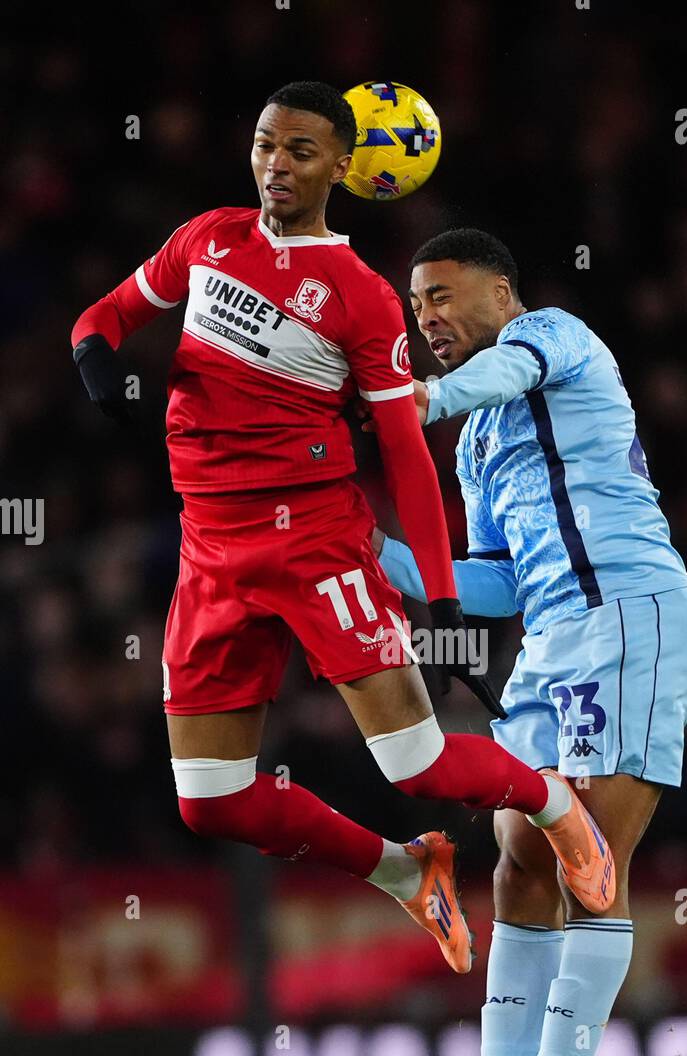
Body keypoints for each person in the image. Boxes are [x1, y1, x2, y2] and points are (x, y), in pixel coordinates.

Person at [70, 86, 613, 978]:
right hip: (210, 548)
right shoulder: (208, 238)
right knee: (211, 803)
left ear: (342, 168)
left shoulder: (360, 297)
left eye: (300, 152)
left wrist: (440, 596)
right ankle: (407, 869)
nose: (276, 165)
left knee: (418, 767)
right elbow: (112, 311)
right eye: (264, 145)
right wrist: (93, 350)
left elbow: (404, 455)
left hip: (317, 544)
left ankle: (554, 803)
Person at [370, 228, 687, 1056]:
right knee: (521, 846)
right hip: (555, 639)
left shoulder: (557, 340)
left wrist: (410, 403)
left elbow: (486, 376)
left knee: (589, 851)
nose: (425, 318)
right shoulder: (477, 446)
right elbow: (495, 582)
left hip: (629, 613)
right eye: (415, 304)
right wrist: (376, 554)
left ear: (501, 290)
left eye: (441, 295)